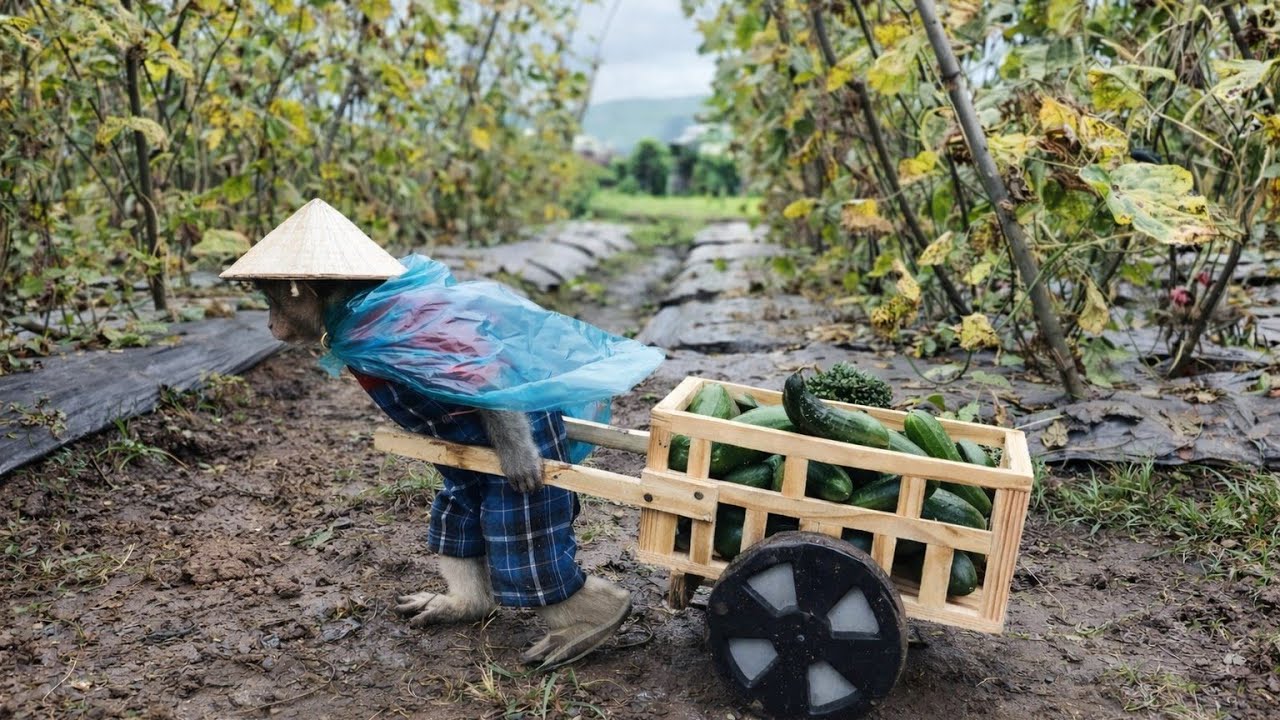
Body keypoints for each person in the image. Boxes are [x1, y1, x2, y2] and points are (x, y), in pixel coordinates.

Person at [221, 199, 664, 668]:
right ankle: (469, 598)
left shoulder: (399, 317)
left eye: (275, 305)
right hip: (467, 442)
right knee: (458, 513)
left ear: (302, 289)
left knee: (521, 528)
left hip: (512, 431)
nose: (273, 323)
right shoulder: (357, 321)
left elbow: (490, 376)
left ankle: (592, 609)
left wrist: (516, 448)